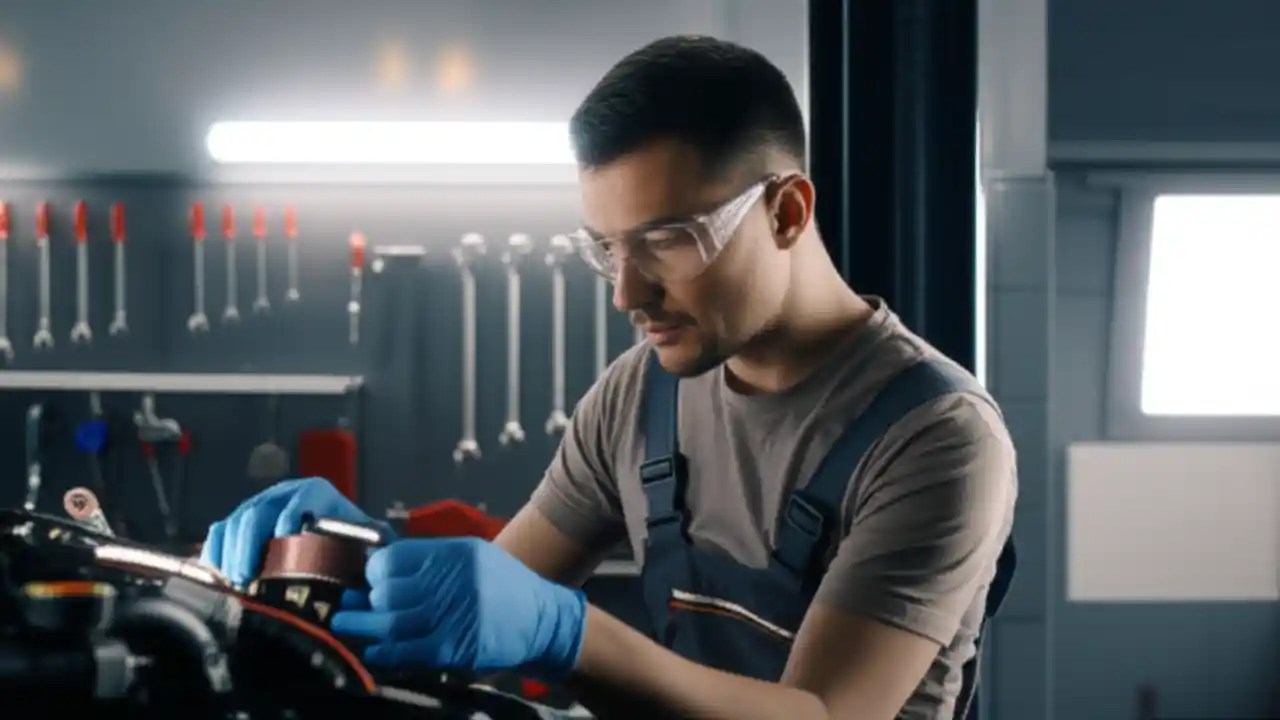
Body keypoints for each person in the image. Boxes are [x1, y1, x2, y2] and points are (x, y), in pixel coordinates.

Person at [201, 35, 1018, 720]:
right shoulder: (642, 396)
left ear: (787, 213)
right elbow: (495, 604)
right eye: (606, 249)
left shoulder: (936, 437)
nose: (628, 293)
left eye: (666, 240)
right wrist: (345, 567)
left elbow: (825, 714)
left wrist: (573, 635)